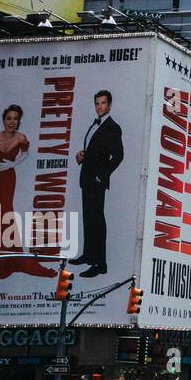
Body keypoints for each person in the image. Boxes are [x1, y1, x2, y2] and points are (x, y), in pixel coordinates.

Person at [0, 105, 53, 283]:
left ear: (18, 121)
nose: (12, 121)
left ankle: (6, 252)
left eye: (15, 118)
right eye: (9, 118)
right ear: (4, 119)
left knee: (5, 210)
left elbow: (25, 154)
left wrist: (12, 165)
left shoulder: (21, 137)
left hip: (8, 177)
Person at [73, 91, 123, 277]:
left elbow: (118, 156)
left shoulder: (112, 127)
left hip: (96, 181)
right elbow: (94, 151)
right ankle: (88, 255)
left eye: (103, 103)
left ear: (109, 105)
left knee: (97, 220)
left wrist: (102, 176)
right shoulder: (95, 124)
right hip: (86, 178)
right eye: (97, 103)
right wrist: (81, 155)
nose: (99, 106)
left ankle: (100, 264)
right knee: (88, 218)